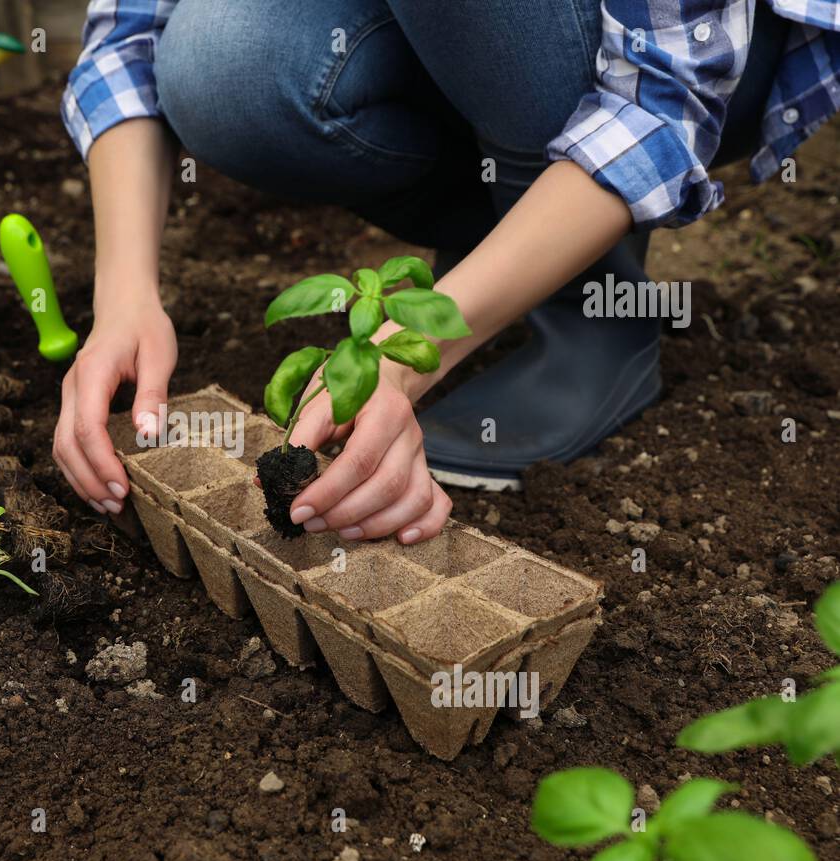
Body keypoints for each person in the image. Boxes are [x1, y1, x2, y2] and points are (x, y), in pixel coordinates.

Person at [54, 0, 839, 544]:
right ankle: (507, 244)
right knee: (221, 69)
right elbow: (134, 35)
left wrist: (398, 365)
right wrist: (123, 297)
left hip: (701, 62)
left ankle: (591, 308)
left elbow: (663, 101)